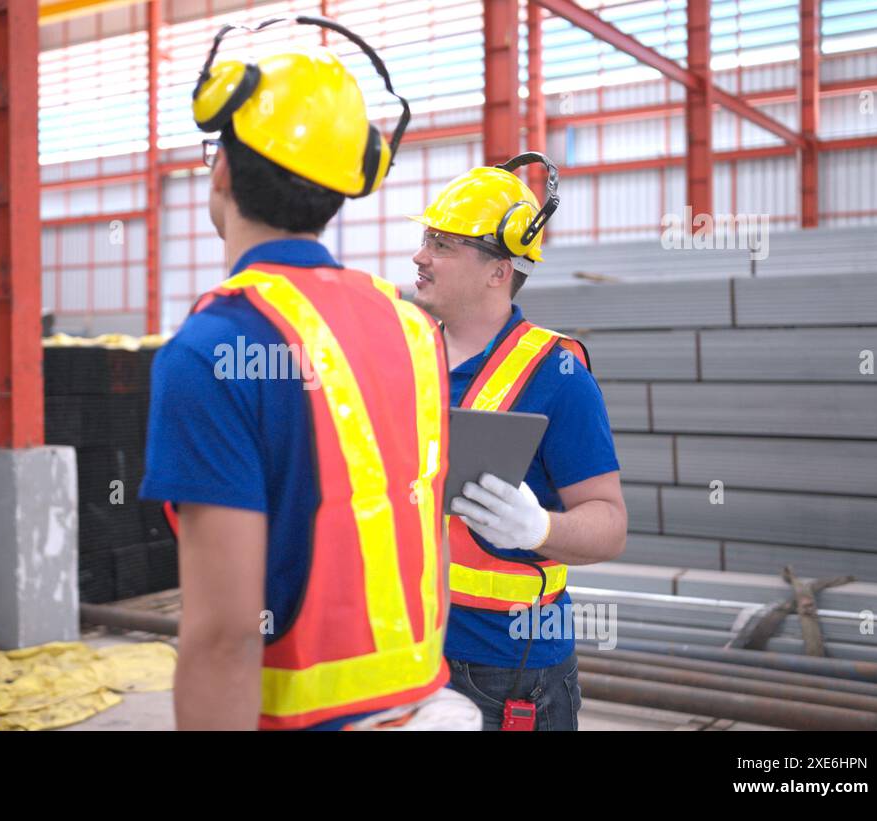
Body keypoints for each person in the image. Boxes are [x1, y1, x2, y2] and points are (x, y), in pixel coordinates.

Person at [140, 16, 480, 731]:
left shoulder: (212, 347)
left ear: (222, 168)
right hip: (423, 705)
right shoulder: (412, 328)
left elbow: (223, 634)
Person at [407, 155, 628, 730]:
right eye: (426, 238)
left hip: (507, 673)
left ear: (498, 270)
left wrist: (542, 531)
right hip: (406, 655)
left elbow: (609, 522)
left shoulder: (557, 375)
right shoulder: (407, 358)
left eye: (443, 244)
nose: (420, 255)